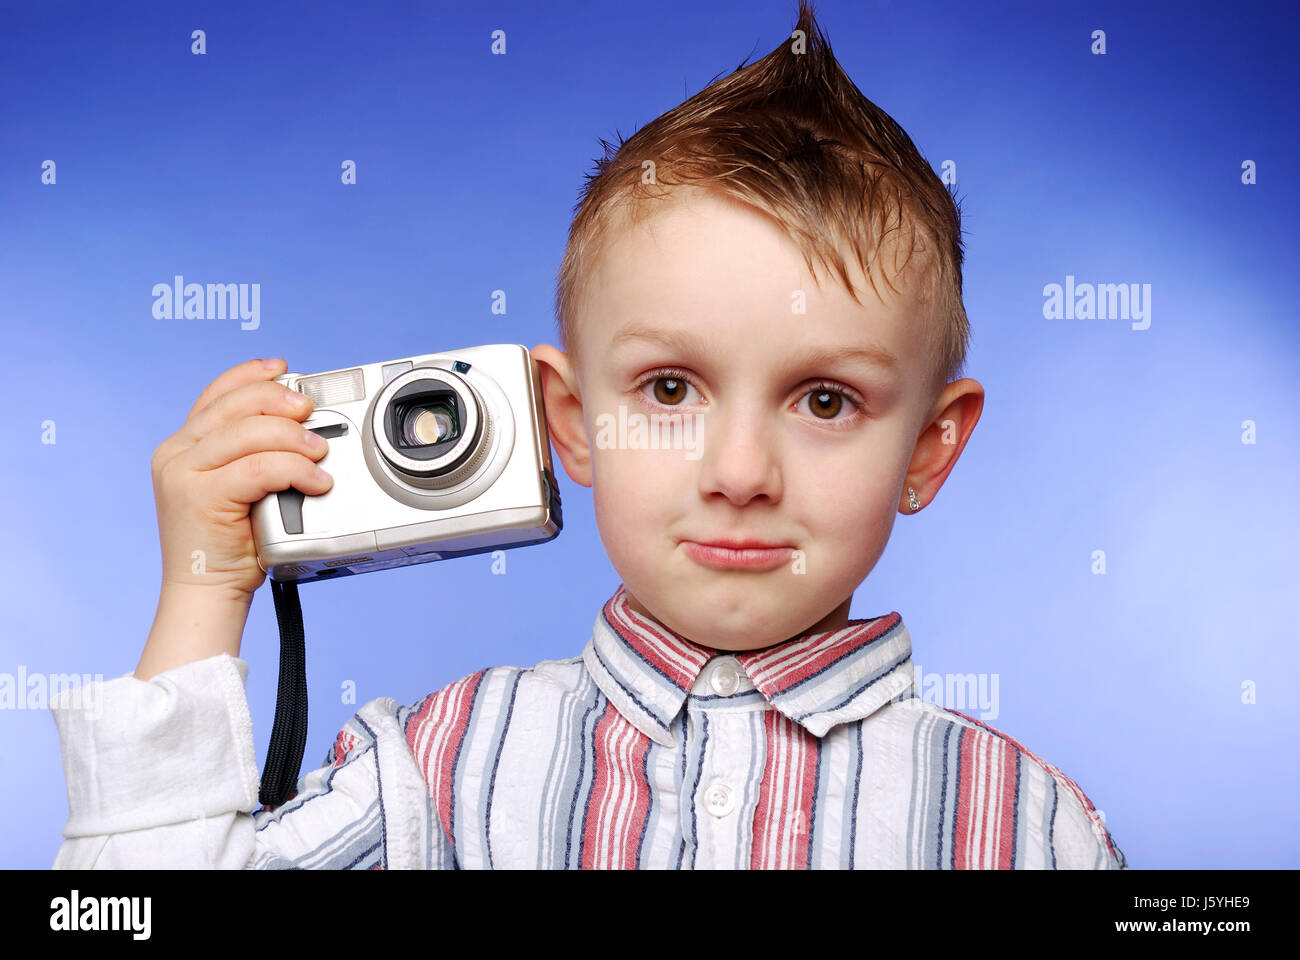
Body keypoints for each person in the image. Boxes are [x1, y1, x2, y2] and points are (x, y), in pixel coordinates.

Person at [50, 0, 1126, 869]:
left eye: (825, 401)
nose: (740, 473)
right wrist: (204, 587)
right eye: (668, 389)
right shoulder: (436, 766)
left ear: (931, 448)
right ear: (571, 422)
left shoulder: (1024, 826)